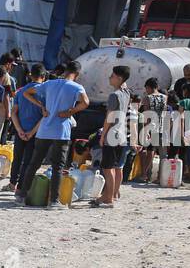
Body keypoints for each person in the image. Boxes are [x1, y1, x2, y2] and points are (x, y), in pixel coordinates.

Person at [22, 62, 89, 206]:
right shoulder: (77, 87)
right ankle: (53, 201)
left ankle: (21, 196)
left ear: (65, 71)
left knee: (34, 163)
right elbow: (85, 103)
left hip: (44, 130)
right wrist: (70, 112)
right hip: (61, 131)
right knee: (58, 166)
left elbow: (26, 93)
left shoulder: (49, 84)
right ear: (77, 74)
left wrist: (41, 107)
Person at [93, 65, 131, 208]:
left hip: (112, 134)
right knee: (115, 167)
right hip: (122, 134)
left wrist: (103, 135)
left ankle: (109, 199)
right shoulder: (126, 93)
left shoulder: (114, 95)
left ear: (119, 78)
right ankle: (109, 195)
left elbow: (109, 116)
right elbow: (126, 86)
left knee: (107, 168)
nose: (110, 77)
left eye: (112, 75)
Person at [11, 65, 46, 201]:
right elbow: (44, 116)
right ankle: (21, 188)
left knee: (17, 157)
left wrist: (19, 130)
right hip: (35, 132)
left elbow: (14, 112)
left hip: (20, 131)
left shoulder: (20, 91)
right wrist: (31, 132)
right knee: (28, 161)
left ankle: (12, 183)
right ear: (43, 77)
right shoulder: (44, 93)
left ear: (31, 76)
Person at [137, 77, 167, 183]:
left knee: (145, 150)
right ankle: (150, 175)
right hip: (161, 126)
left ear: (148, 87)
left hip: (150, 126)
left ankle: (144, 174)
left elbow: (147, 115)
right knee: (153, 150)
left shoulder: (147, 98)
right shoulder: (164, 97)